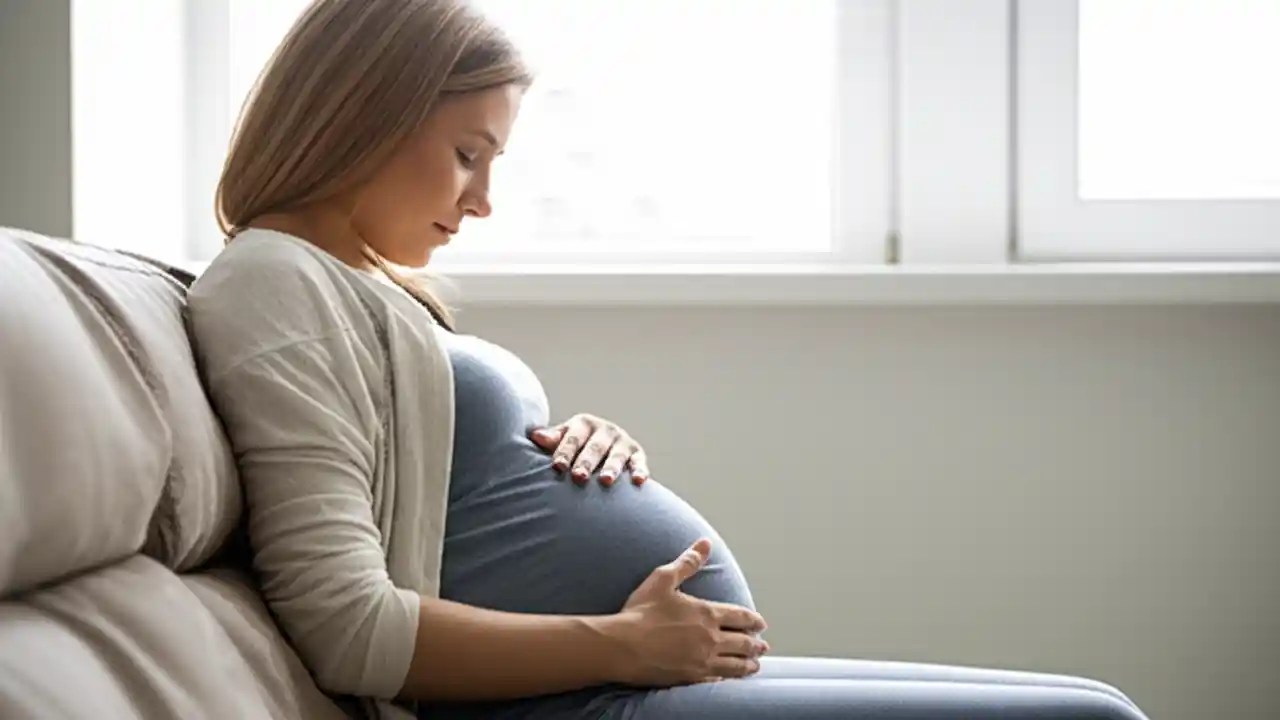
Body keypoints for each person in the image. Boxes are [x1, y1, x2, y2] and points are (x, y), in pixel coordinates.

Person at [187, 1, 1150, 717]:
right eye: (467, 154)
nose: (482, 201)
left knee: (1092, 698)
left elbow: (444, 484)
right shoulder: (273, 283)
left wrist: (564, 446)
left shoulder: (357, 283)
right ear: (366, 113)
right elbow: (346, 623)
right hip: (576, 700)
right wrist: (617, 642)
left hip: (626, 680)